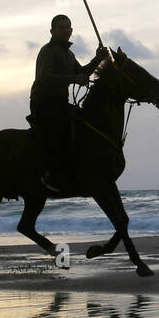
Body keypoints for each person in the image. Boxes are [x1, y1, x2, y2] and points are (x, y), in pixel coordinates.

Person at [29, 14, 108, 194]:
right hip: (43, 102)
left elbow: (82, 73)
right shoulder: (47, 51)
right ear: (52, 31)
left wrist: (97, 59)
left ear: (71, 30)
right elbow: (45, 77)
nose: (65, 30)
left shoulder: (69, 54)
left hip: (60, 101)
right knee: (61, 129)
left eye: (67, 27)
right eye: (61, 27)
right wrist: (74, 78)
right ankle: (49, 173)